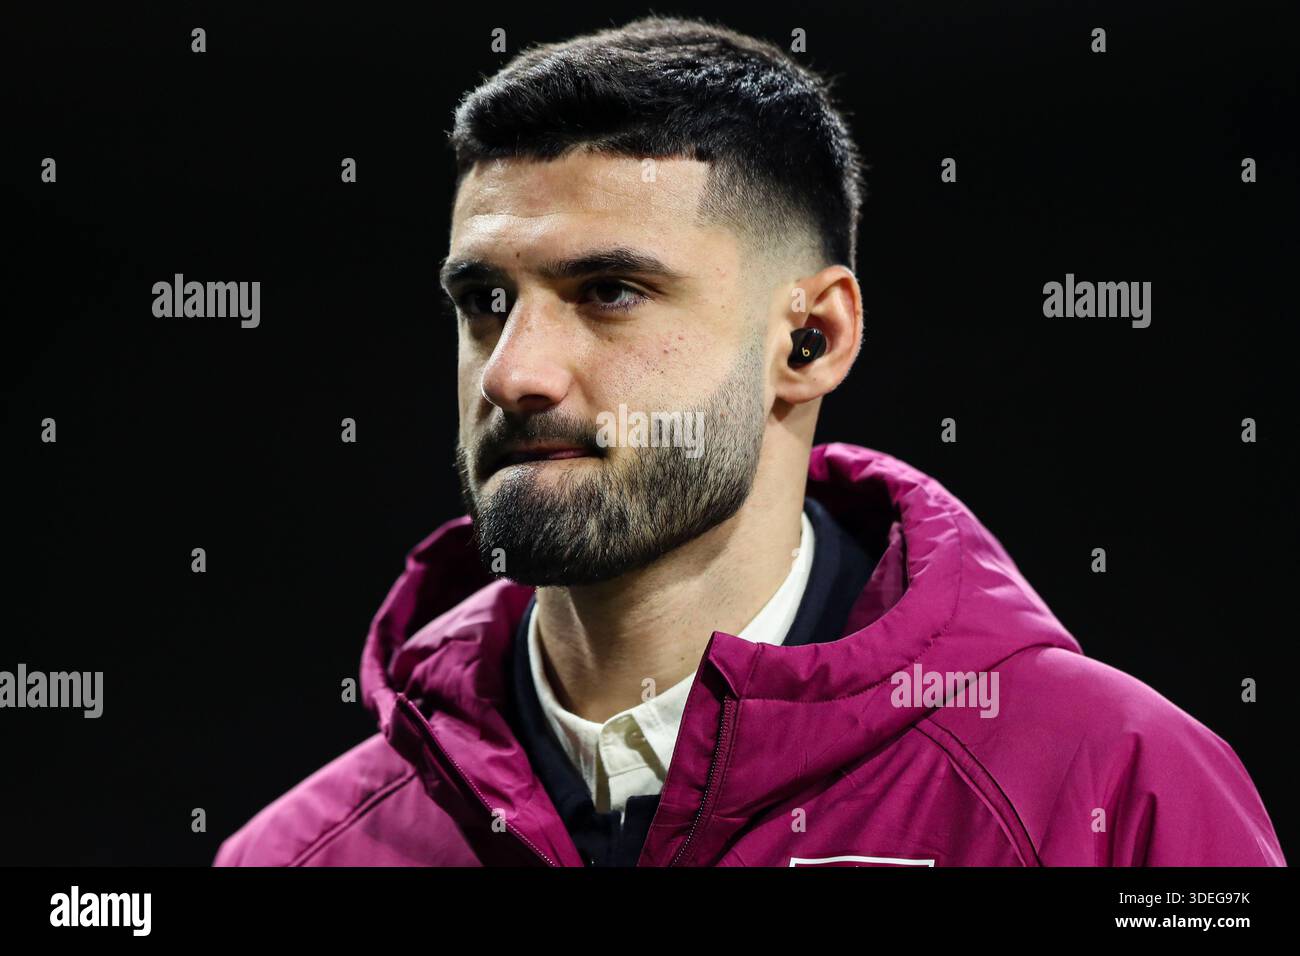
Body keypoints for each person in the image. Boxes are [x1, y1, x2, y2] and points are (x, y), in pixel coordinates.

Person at [213, 16, 1284, 867]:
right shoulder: (298, 852)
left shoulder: (1111, 792)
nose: (512, 370)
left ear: (809, 338)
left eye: (611, 291)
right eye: (485, 300)